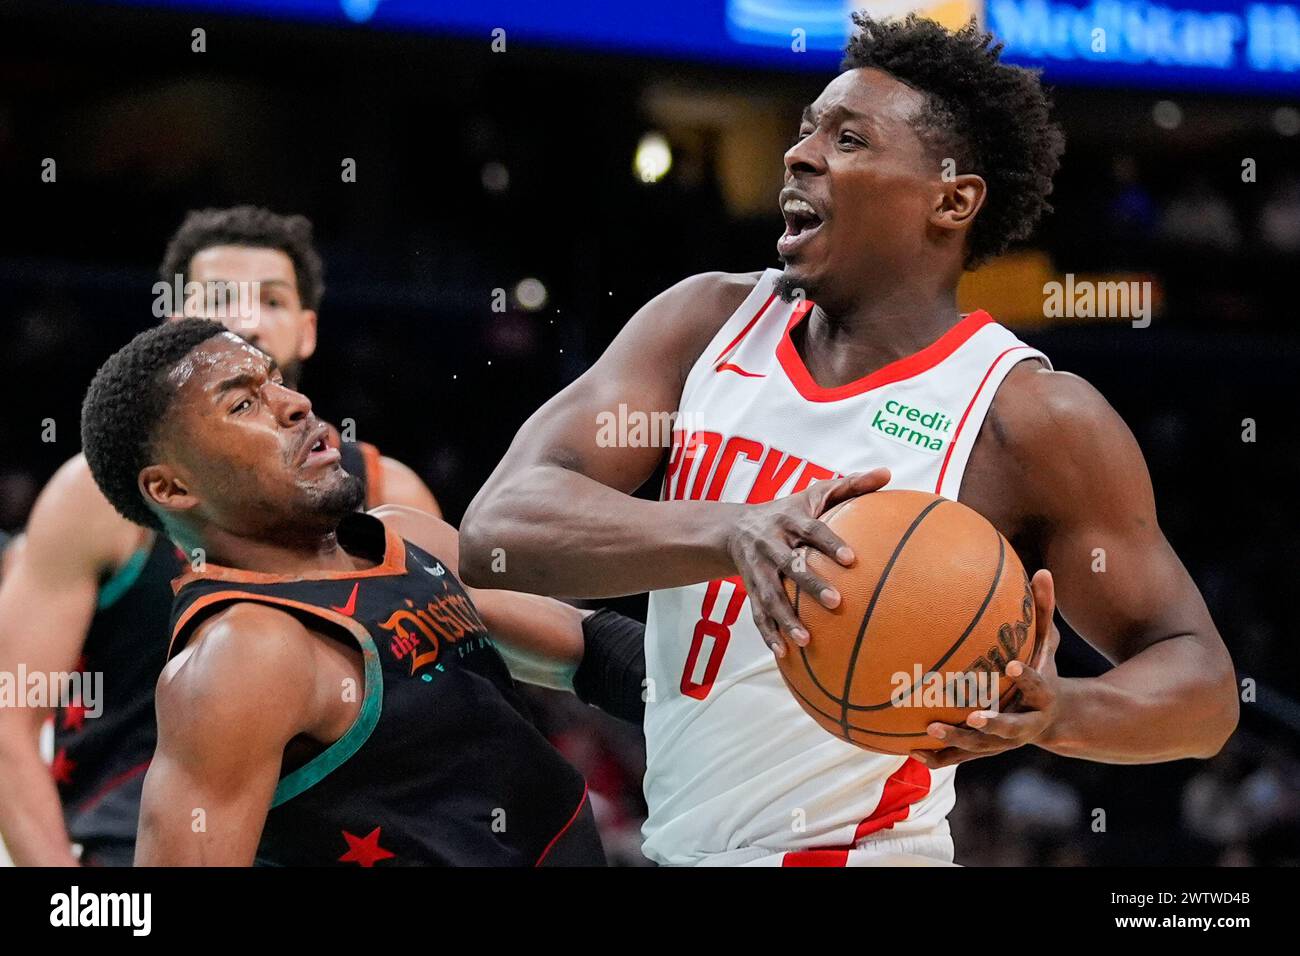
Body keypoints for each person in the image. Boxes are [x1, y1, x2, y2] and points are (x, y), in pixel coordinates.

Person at [458, 16, 1239, 866]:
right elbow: (499, 535)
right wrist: (731, 530)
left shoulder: (1027, 415)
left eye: (849, 137)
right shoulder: (706, 322)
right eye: (805, 130)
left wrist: (1058, 713)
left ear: (952, 198)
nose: (799, 154)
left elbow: (1201, 688)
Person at [78, 318, 612, 865]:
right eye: (242, 405)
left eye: (277, 380)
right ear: (172, 487)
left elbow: (595, 650)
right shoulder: (242, 652)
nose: (295, 404)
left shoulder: (405, 537)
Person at [0, 206, 439, 866]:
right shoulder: (94, 494)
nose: (245, 318)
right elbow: (8, 723)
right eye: (218, 297)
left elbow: (452, 719)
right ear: (176, 319)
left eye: (271, 298)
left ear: (308, 329)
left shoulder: (390, 495)